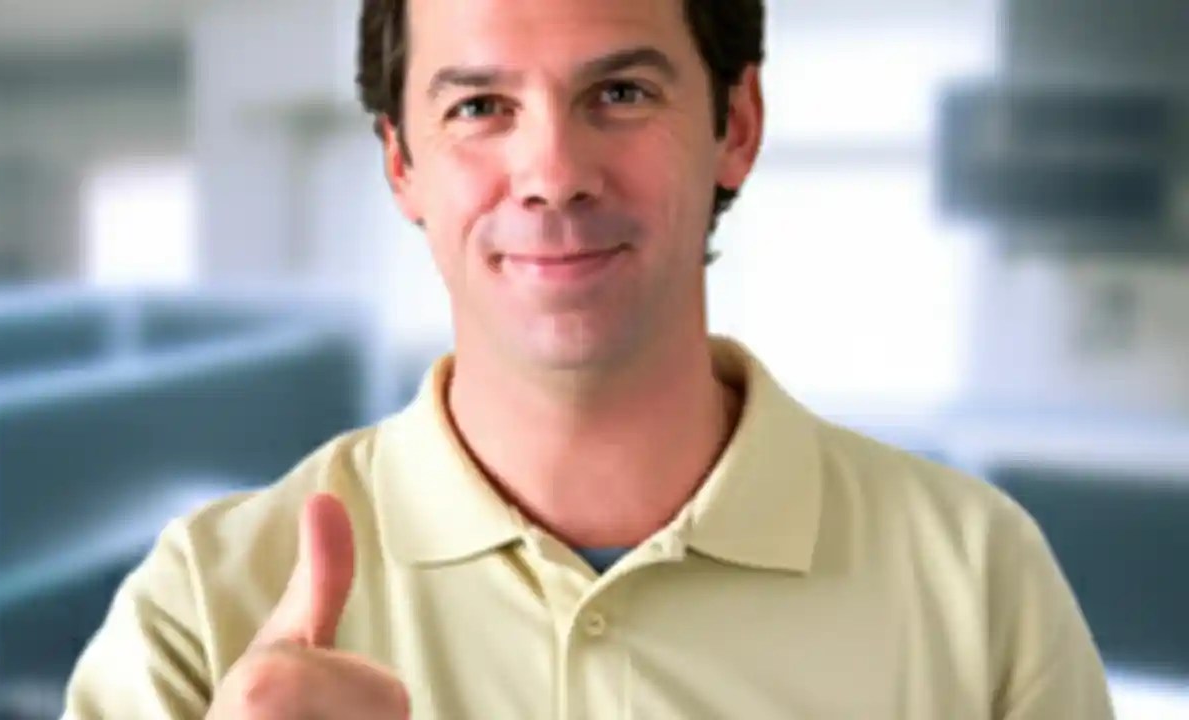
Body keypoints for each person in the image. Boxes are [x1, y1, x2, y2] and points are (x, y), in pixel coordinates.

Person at [64, 1, 1115, 718]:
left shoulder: (978, 585)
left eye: (619, 94)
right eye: (479, 107)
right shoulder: (202, 611)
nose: (553, 174)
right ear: (399, 162)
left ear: (735, 125)